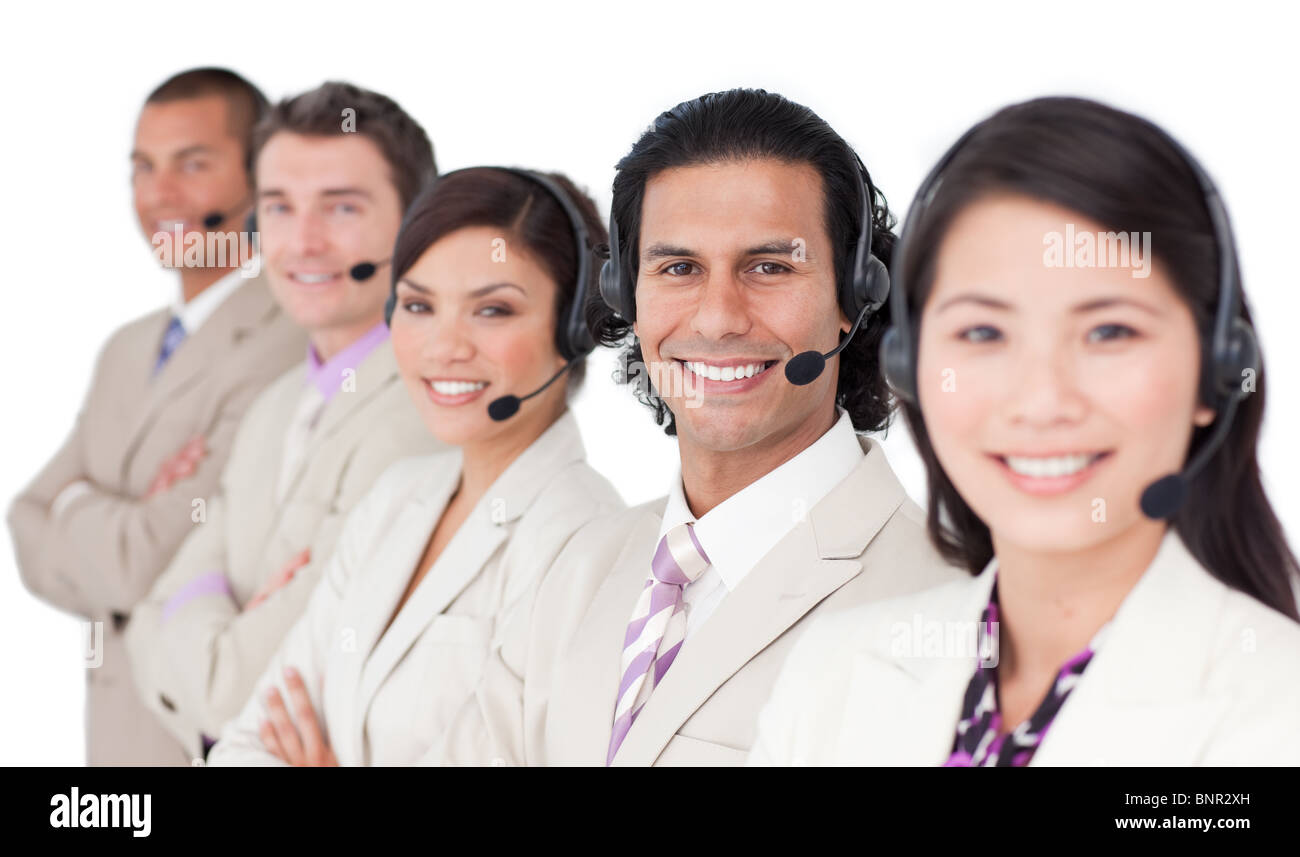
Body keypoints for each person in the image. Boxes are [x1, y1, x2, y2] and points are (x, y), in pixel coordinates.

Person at [750, 96, 1300, 766]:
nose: (1041, 400)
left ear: (1217, 371)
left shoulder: (1276, 707)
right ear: (909, 365)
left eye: (1110, 332)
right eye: (983, 332)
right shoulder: (829, 679)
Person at [434, 89, 961, 766]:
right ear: (627, 294)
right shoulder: (577, 567)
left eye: (769, 266)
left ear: (853, 300)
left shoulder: (940, 605)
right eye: (679, 268)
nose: (717, 319)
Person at [208, 166, 624, 765]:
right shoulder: (396, 497)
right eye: (418, 305)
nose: (443, 347)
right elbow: (249, 739)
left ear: (575, 329)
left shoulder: (586, 542)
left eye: (493, 310)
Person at [125, 82, 445, 763]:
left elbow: (232, 690)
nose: (302, 242)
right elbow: (140, 632)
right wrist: (222, 622)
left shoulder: (430, 412)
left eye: (342, 207)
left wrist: (200, 602)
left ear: (419, 225)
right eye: (278, 207)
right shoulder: (275, 405)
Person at [7, 67, 306, 765]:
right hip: (116, 747)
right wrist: (114, 523)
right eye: (142, 168)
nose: (158, 194)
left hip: (206, 735)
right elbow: (23, 517)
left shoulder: (291, 334)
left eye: (192, 165)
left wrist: (78, 504)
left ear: (260, 177)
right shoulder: (126, 347)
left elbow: (153, 558)